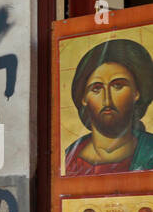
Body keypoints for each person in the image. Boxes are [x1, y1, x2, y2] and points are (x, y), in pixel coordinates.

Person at [63, 38, 153, 175]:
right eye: (96, 89)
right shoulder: (69, 157)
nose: (107, 100)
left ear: (137, 93)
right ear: (84, 98)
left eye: (118, 86)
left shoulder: (149, 151)